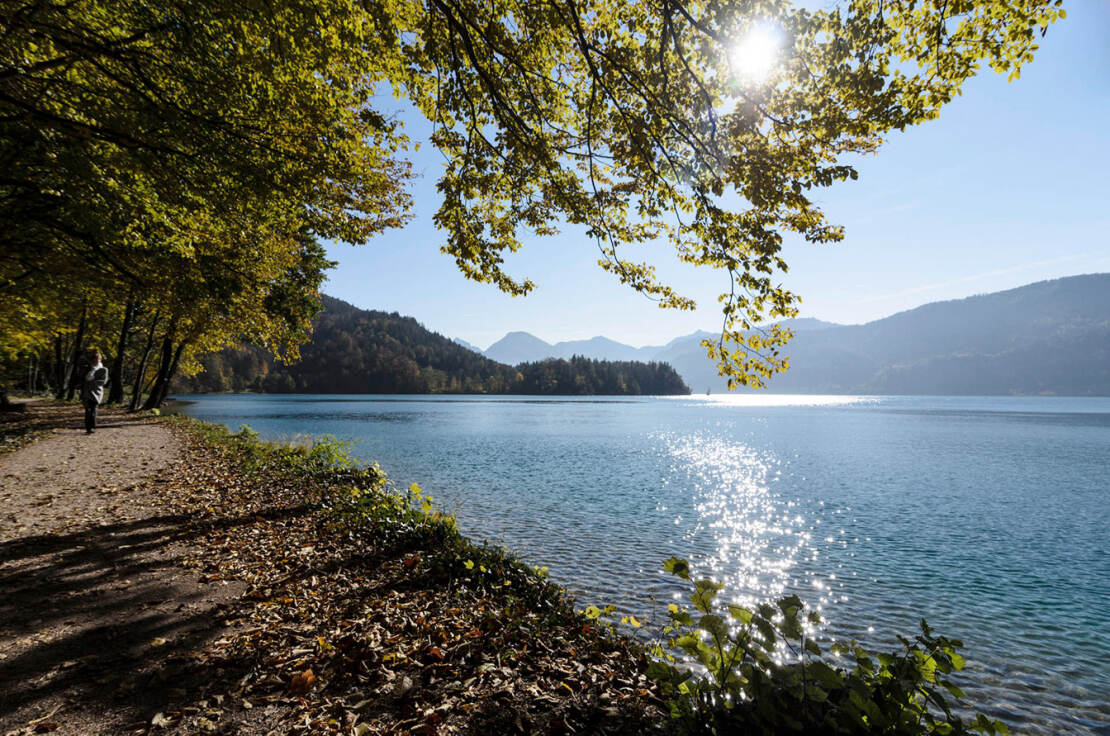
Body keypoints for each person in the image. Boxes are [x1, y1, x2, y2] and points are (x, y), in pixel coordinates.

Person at [80, 349, 109, 433]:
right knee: (88, 410)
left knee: (94, 410)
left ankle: (93, 426)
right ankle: (88, 428)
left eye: (98, 359)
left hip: (97, 392)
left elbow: (103, 381)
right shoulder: (87, 368)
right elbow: (82, 378)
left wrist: (92, 381)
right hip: (86, 391)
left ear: (100, 360)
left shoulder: (104, 369)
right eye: (94, 359)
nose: (96, 361)